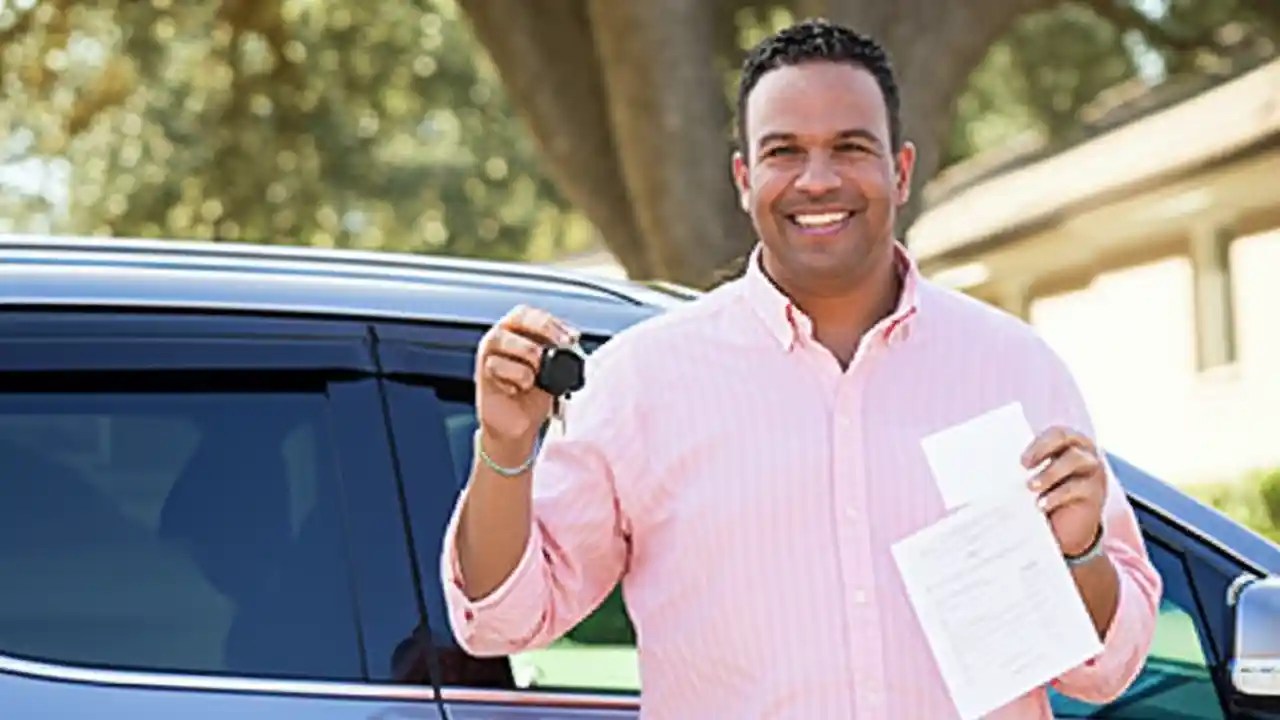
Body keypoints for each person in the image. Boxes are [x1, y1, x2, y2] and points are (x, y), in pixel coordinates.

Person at [440, 18, 1162, 719]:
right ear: (744, 178)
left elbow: (1104, 668)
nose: (818, 180)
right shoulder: (641, 382)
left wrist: (1081, 553)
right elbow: (503, 620)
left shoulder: (1013, 368)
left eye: (850, 147)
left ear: (900, 170)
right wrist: (504, 449)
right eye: (785, 152)